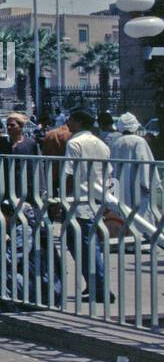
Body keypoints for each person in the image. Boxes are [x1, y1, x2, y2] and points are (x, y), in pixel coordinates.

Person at [65, 109, 113, 304]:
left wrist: (62, 197)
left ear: (77, 122)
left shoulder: (74, 143)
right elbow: (108, 173)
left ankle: (99, 287)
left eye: (70, 119)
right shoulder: (101, 144)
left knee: (83, 246)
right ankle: (95, 284)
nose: (67, 122)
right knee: (89, 245)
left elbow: (69, 174)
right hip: (96, 200)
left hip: (78, 201)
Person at [111, 112, 155, 211]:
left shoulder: (116, 142)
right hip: (138, 187)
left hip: (119, 186)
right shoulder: (139, 141)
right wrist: (147, 184)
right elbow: (146, 164)